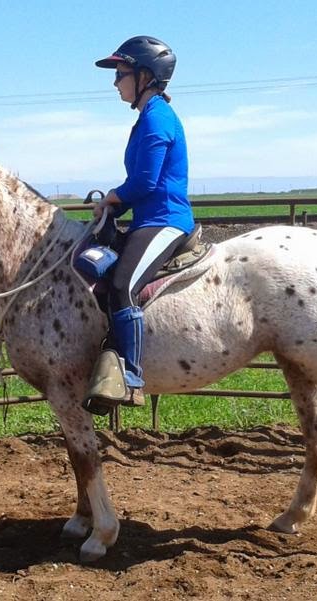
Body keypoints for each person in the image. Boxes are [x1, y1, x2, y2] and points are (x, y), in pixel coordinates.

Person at [83, 36, 195, 414]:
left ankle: (131, 376)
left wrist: (112, 198)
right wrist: (114, 206)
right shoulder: (147, 117)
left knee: (122, 285)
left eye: (120, 74)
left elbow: (145, 182)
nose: (115, 82)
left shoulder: (157, 118)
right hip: (149, 218)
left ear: (144, 76)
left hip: (166, 219)